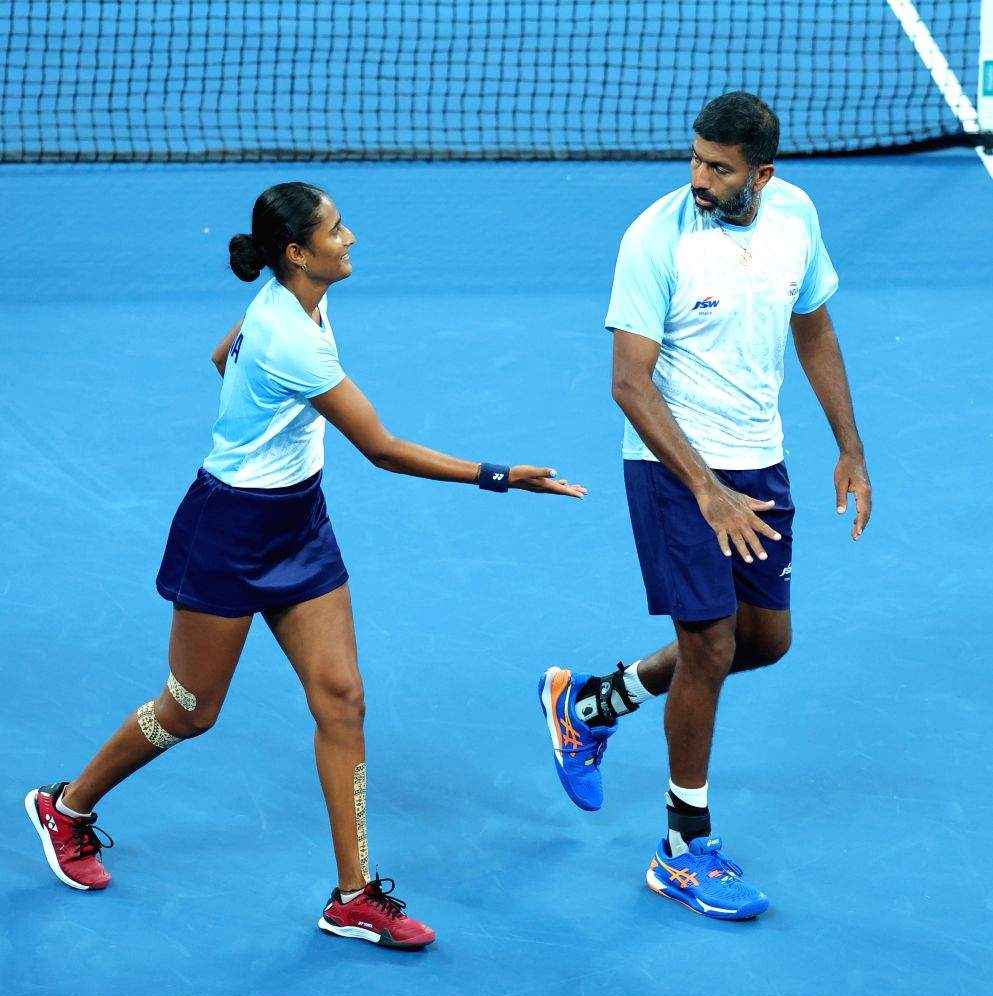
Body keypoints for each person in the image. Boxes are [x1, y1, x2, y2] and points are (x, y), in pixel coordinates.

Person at [26, 181, 586, 951]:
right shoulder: (291, 335)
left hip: (298, 523)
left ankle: (354, 895)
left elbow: (224, 355)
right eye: (335, 230)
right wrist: (501, 474)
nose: (350, 237)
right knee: (191, 708)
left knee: (342, 699)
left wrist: (260, 424)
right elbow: (383, 449)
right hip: (227, 532)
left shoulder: (300, 302)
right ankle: (68, 806)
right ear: (297, 253)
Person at [537, 92, 871, 920]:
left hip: (760, 458)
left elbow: (814, 328)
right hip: (670, 466)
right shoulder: (653, 240)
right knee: (710, 641)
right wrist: (706, 489)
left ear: (761, 172)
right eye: (693, 159)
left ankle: (586, 703)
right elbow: (627, 382)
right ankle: (683, 847)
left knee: (763, 639)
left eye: (718, 168)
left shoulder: (795, 215)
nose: (698, 178)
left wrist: (849, 446)